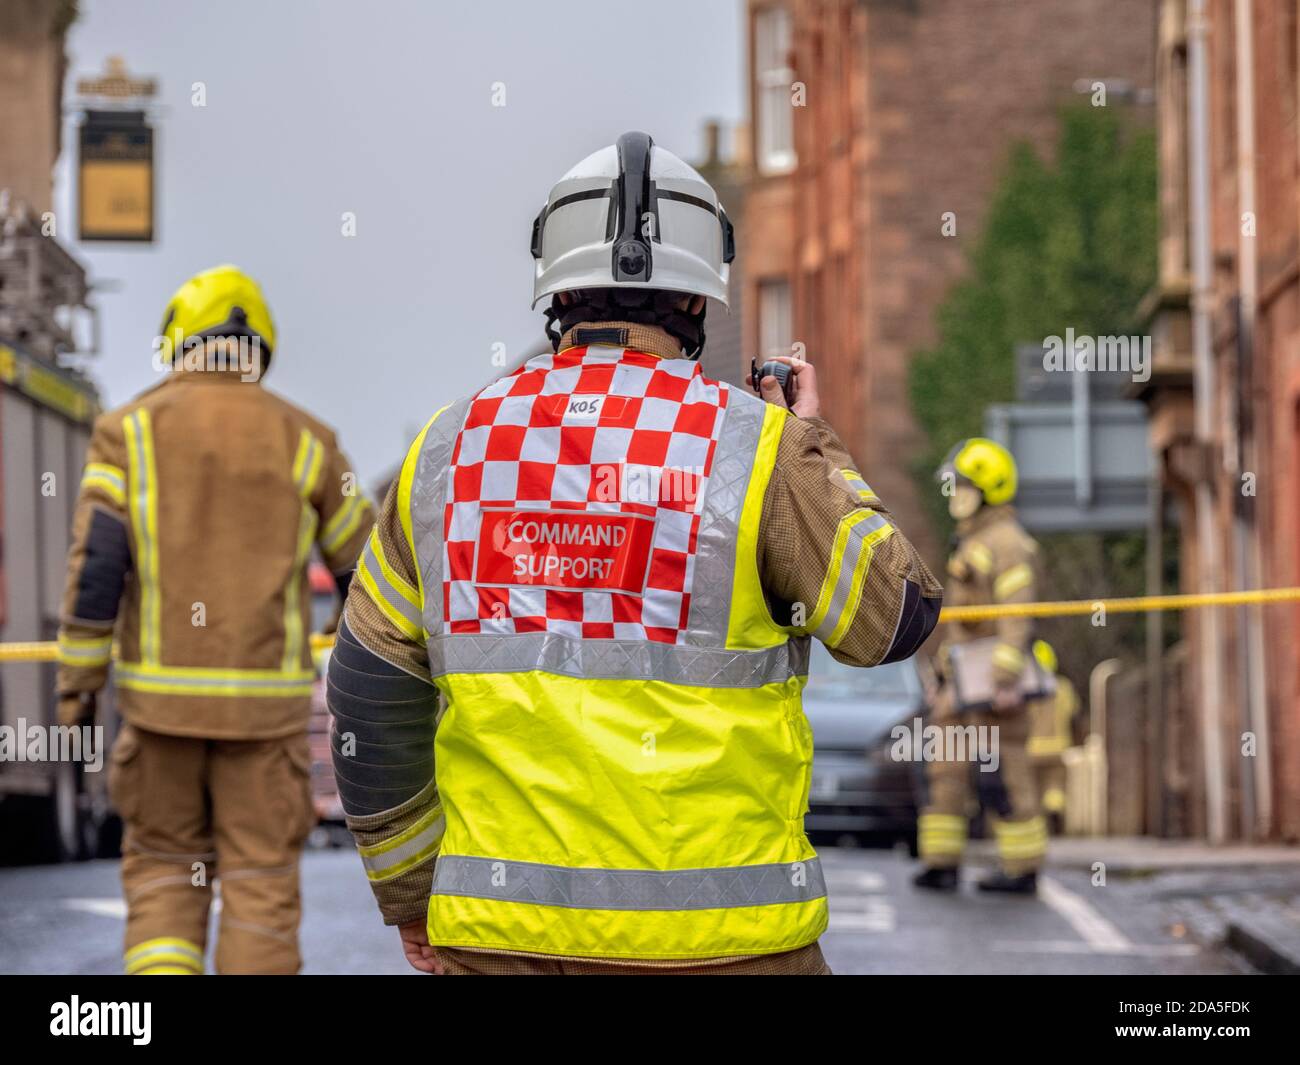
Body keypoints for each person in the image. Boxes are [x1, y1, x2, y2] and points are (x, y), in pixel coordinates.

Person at [329, 132, 942, 975]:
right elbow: (897, 616)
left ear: (557, 290)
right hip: (727, 947)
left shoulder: (445, 452)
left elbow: (369, 693)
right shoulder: (754, 449)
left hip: (500, 944)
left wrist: (411, 896)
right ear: (698, 301)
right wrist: (815, 445)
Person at [56, 265, 373, 974]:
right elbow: (369, 574)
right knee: (260, 889)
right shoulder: (307, 439)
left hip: (160, 715)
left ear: (178, 341)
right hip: (266, 726)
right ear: (259, 347)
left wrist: (75, 687)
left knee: (166, 874)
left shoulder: (127, 432)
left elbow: (97, 569)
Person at [914, 438, 1047, 894]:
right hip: (963, 678)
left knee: (1005, 773)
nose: (954, 494)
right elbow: (959, 625)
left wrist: (1005, 678)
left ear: (986, 488)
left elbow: (1017, 615)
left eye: (961, 485)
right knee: (945, 769)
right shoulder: (972, 541)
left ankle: (1021, 868)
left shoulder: (1007, 544)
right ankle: (942, 862)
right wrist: (940, 676)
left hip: (994, 680)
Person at [1027, 639, 1079, 832]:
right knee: (1055, 785)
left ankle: (1037, 823)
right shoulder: (1063, 688)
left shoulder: (1028, 688)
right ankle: (1054, 811)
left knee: (1033, 788)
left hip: (1031, 748)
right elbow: (1073, 712)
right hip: (1058, 747)